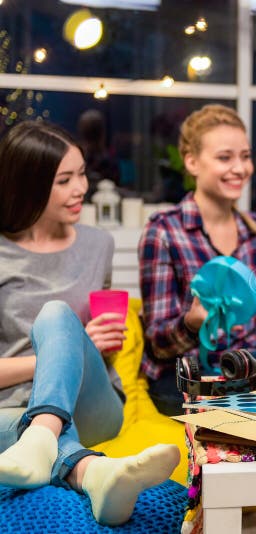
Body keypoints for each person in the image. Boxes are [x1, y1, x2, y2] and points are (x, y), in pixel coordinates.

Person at [0, 121, 180, 526]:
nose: (81, 188)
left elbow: (93, 343)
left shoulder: (99, 244)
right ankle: (94, 473)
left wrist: (90, 345)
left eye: (81, 173)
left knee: (57, 314)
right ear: (28, 183)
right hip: (9, 408)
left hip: (94, 405)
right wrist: (53, 357)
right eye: (64, 180)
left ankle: (43, 435)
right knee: (19, 426)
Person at [139, 104, 256, 416]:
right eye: (225, 157)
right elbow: (158, 342)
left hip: (247, 366)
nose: (240, 168)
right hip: (188, 377)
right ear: (192, 162)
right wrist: (192, 323)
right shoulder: (163, 231)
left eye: (245, 156)